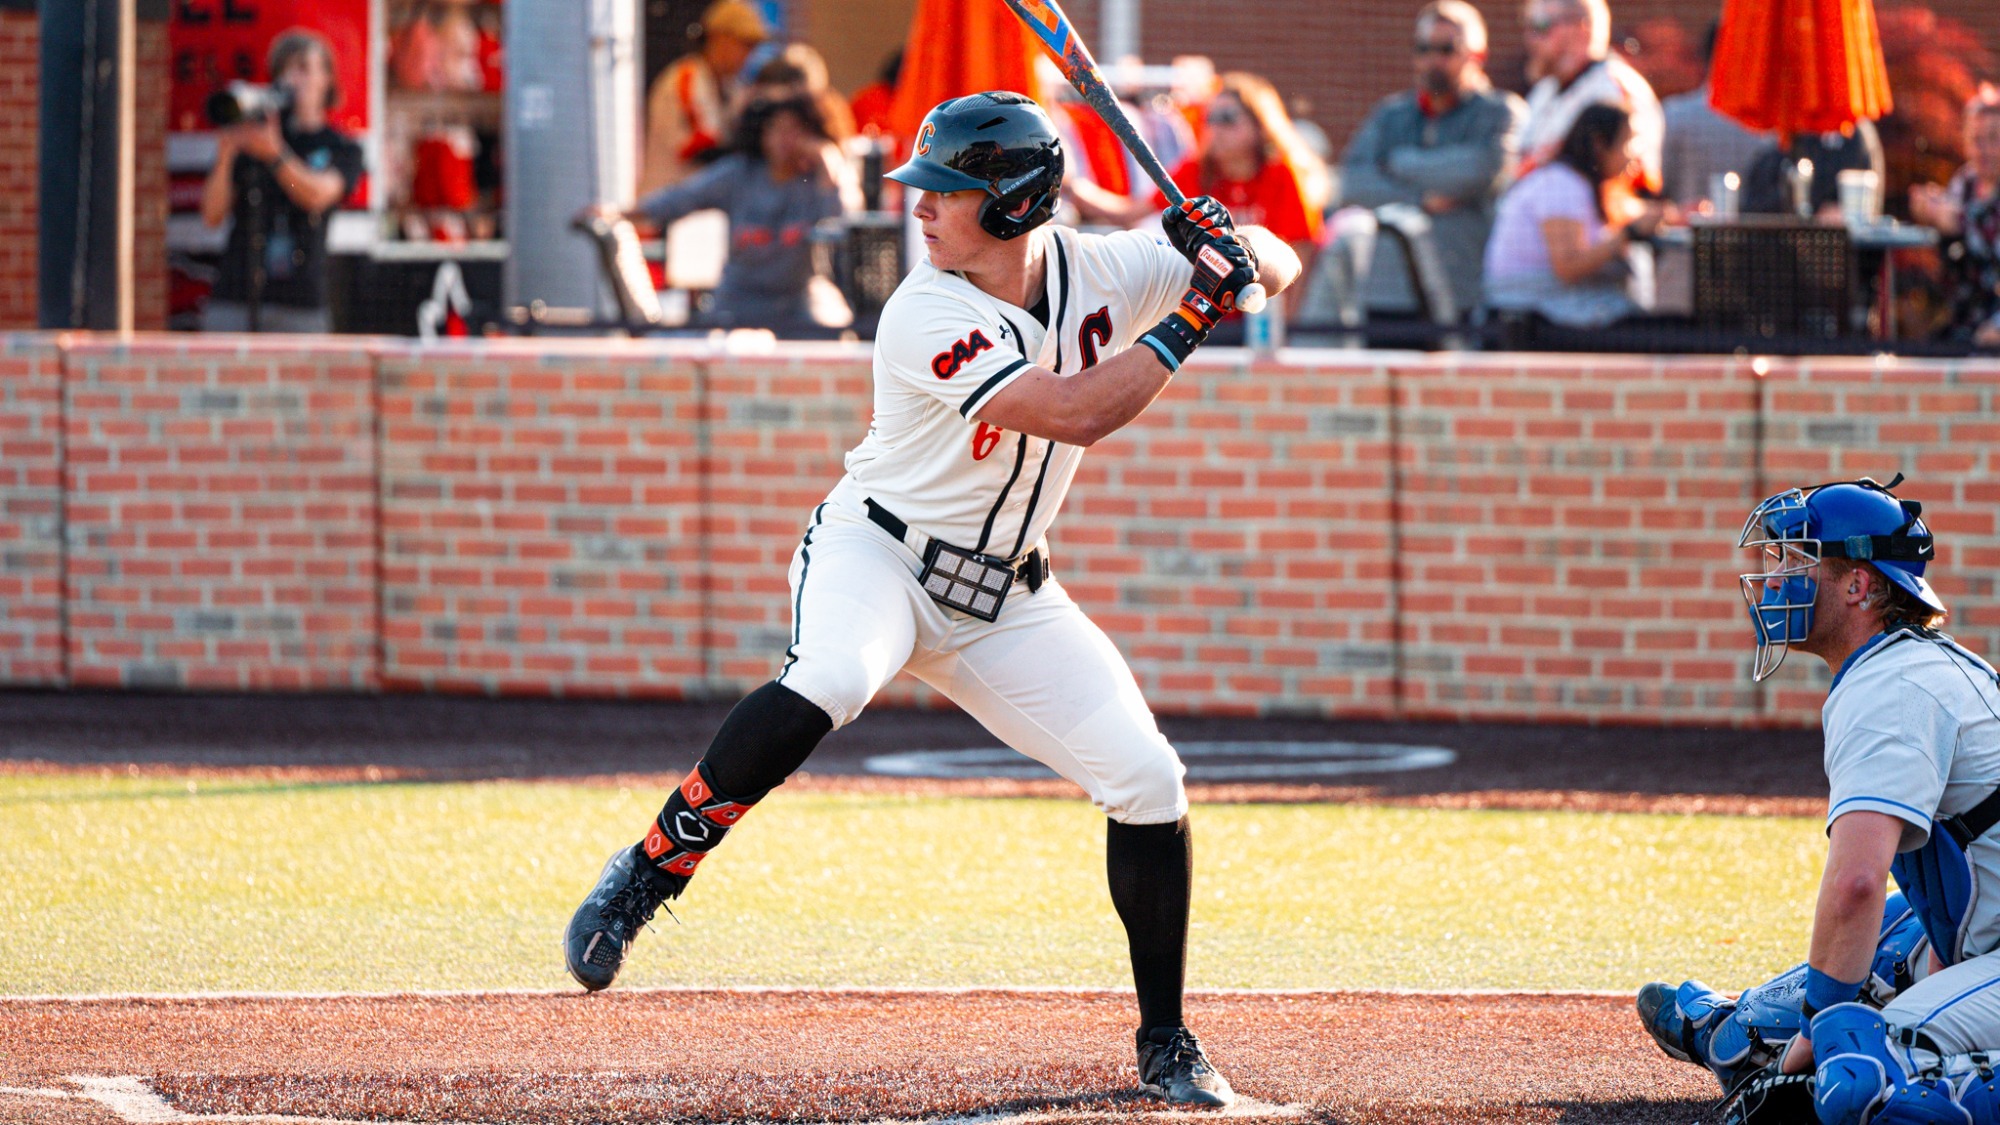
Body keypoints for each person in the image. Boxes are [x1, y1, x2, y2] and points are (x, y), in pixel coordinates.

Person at [560, 90, 1300, 1108]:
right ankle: (652, 868)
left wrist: (1225, 245)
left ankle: (1166, 1042)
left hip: (1008, 593)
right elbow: (1074, 412)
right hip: (879, 556)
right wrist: (1195, 310)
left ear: (1012, 202)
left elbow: (1275, 260)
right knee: (832, 679)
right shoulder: (924, 308)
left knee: (1147, 780)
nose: (920, 207)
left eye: (945, 191)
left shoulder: (1108, 267)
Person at [1636, 475, 2000, 1125]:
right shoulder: (1918, 664)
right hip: (1988, 936)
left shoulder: (1890, 687)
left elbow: (1856, 883)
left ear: (1857, 585)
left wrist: (1816, 1035)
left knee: (1861, 1068)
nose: (1776, 578)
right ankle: (1743, 1032)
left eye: (1798, 561)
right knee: (1886, 948)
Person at [594, 89, 857, 331]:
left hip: (799, 305)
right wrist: (618, 214)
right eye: (775, 128)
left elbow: (846, 223)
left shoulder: (817, 180)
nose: (783, 139)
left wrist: (830, 163)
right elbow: (681, 198)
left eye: (795, 130)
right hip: (738, 303)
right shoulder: (739, 173)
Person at [1336, 0, 1527, 317]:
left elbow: (1483, 170)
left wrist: (1399, 163)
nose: (1433, 60)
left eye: (1446, 49)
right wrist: (1419, 200)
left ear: (1478, 55)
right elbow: (1353, 184)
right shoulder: (1390, 115)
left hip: (1466, 292)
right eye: (1423, 48)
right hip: (1391, 293)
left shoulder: (1500, 112)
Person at [199, 30, 364, 333]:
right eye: (284, 70)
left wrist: (276, 157)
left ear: (326, 79)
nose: (293, 79)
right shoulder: (257, 138)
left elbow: (315, 195)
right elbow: (211, 215)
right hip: (236, 296)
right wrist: (226, 154)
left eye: (303, 68)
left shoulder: (341, 147)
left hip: (298, 303)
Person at [1482, 103, 1668, 328]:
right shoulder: (1561, 184)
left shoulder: (1580, 183)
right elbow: (1567, 268)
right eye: (1628, 142)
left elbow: (1633, 212)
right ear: (1600, 144)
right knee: (1664, 334)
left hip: (1552, 306)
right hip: (1535, 313)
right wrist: (1629, 234)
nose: (1636, 155)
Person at [1516, 0, 1662, 195]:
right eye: (1527, 26)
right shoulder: (1544, 90)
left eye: (1541, 25)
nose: (1530, 37)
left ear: (1581, 27)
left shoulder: (1615, 88)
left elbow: (1636, 181)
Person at [637, 0, 770, 196]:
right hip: (666, 203)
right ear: (720, 38)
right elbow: (701, 150)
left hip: (698, 202)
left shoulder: (732, 86)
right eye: (745, 45)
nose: (749, 55)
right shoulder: (685, 78)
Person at [1910, 86, 2000, 350]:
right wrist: (1928, 210)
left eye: (1993, 138)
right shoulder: (1965, 181)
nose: (1983, 149)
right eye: (1976, 139)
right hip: (1963, 318)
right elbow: (1948, 218)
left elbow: (1962, 223)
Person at [1657, 19, 1767, 210]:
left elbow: (1658, 182)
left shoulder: (1674, 114)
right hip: (1754, 226)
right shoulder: (1768, 124)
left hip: (1686, 225)